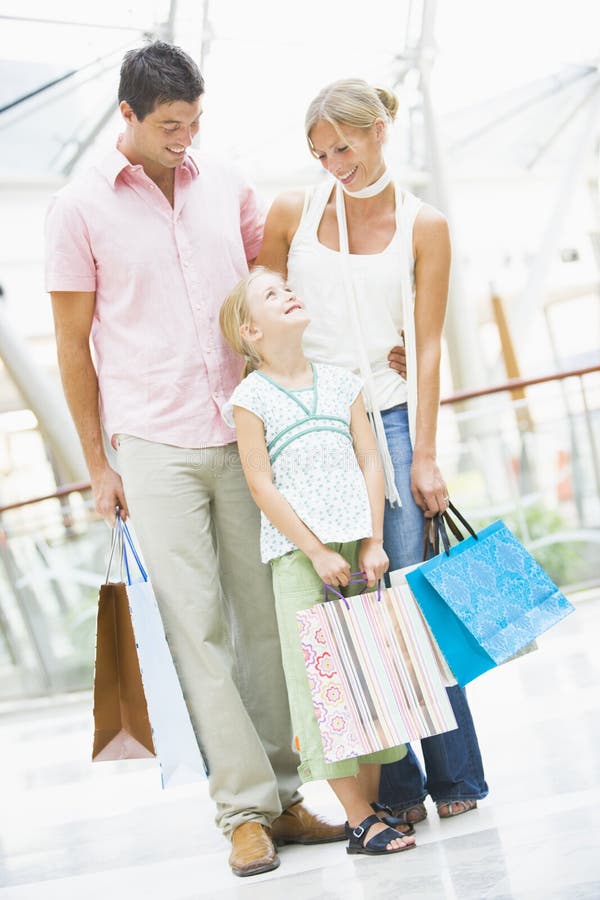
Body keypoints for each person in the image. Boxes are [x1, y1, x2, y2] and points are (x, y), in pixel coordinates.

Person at [44, 41, 346, 878]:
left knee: (262, 619)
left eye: (196, 122)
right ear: (129, 116)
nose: (187, 138)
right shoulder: (77, 210)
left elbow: (268, 281)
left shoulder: (226, 181)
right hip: (153, 441)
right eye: (171, 125)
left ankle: (287, 795)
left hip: (243, 428)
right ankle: (243, 811)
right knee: (198, 628)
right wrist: (98, 466)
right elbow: (72, 345)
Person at [256, 78, 488, 824]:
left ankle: (457, 780)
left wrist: (424, 453)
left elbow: (424, 346)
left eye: (344, 146)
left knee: (413, 603)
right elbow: (253, 309)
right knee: (353, 608)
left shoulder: (427, 225)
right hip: (315, 428)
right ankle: (398, 789)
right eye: (320, 152)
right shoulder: (293, 211)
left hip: (386, 421)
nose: (334, 163)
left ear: (381, 128)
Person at [219, 265, 416, 856]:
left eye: (287, 286)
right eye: (271, 294)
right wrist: (315, 549)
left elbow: (370, 460)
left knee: (370, 680)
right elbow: (261, 484)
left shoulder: (343, 383)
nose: (288, 293)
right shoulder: (249, 398)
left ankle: (373, 807)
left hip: (361, 551)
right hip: (300, 560)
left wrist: (373, 540)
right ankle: (358, 819)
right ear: (251, 331)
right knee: (323, 687)